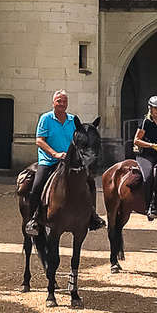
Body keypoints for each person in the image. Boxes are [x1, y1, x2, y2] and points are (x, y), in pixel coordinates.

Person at [23, 90, 104, 236]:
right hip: (48, 161)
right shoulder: (46, 119)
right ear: (53, 102)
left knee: (90, 183)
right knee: (37, 185)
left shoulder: (72, 120)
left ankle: (92, 215)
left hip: (69, 162)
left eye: (64, 101)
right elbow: (39, 140)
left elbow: (79, 140)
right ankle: (34, 219)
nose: (62, 104)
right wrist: (55, 153)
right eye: (59, 101)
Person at [133, 94, 157, 220]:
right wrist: (151, 145)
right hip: (145, 155)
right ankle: (149, 206)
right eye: (156, 108)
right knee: (148, 176)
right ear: (150, 109)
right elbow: (136, 140)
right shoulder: (146, 122)